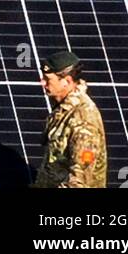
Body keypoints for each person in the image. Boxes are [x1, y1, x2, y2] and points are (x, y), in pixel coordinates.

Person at [32, 48, 107, 188]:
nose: (42, 83)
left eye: (48, 79)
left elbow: (80, 179)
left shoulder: (83, 120)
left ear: (66, 81)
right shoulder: (62, 110)